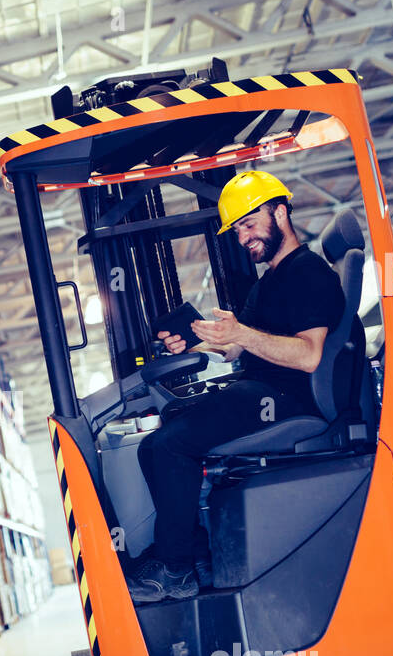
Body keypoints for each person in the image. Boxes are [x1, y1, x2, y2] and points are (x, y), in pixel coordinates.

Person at [126, 170, 347, 603]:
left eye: (249, 224)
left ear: (280, 212)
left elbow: (309, 355)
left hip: (291, 399)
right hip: (266, 388)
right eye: (238, 230)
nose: (244, 238)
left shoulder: (308, 273)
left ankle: (174, 569)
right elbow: (244, 349)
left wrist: (242, 335)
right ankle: (195, 556)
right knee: (171, 419)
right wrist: (201, 339)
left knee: (164, 447)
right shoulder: (270, 283)